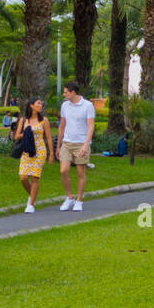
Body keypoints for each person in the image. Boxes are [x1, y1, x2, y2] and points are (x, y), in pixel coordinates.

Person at [56, 81, 95, 211]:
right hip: (67, 143)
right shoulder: (65, 106)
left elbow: (91, 127)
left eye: (66, 92)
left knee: (80, 172)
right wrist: (58, 146)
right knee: (63, 170)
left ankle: (79, 200)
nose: (64, 94)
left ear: (73, 92)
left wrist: (85, 145)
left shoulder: (88, 105)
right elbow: (62, 126)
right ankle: (69, 198)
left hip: (81, 143)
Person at [15, 97, 50, 212]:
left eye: (41, 103)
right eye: (38, 103)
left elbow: (48, 138)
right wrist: (26, 132)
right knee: (23, 177)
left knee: (35, 178)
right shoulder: (24, 120)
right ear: (31, 105)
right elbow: (16, 136)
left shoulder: (44, 120)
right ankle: (33, 196)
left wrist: (52, 154)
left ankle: (31, 205)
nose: (41, 105)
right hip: (27, 151)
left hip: (40, 151)